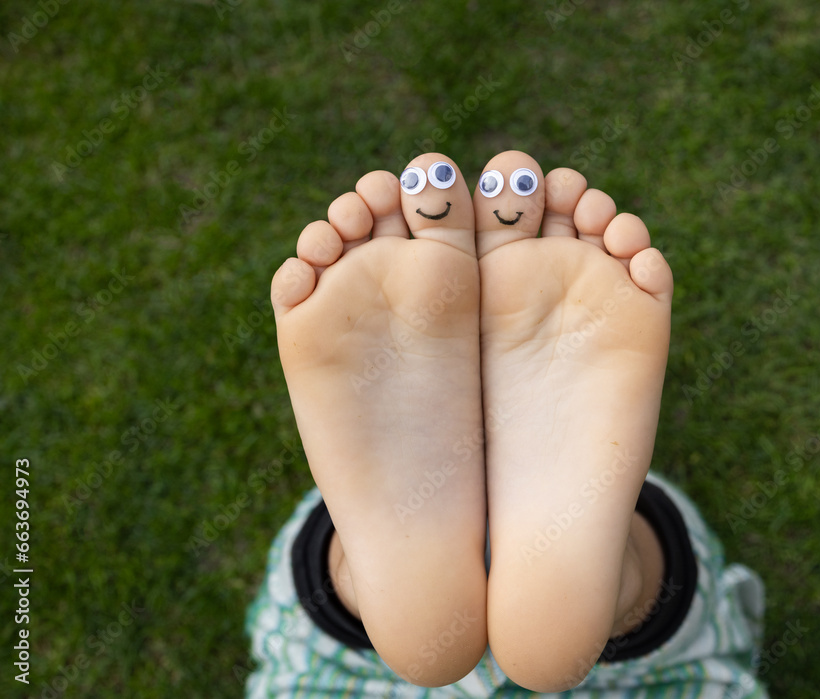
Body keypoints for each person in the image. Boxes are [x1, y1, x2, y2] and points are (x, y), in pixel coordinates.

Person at [245, 150, 768, 697]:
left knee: (318, 664)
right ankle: (617, 586)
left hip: (357, 675)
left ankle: (363, 581)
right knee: (663, 623)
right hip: (639, 673)